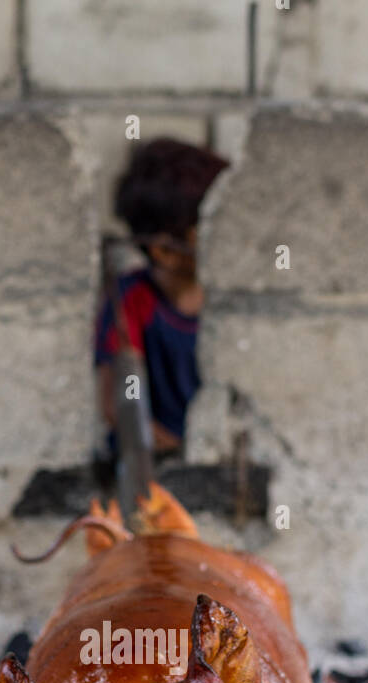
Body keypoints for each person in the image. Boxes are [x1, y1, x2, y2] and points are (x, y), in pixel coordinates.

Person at [94, 138, 229, 458]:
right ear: (165, 251)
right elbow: (118, 406)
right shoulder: (132, 301)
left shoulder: (229, 302)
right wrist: (181, 455)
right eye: (212, 225)